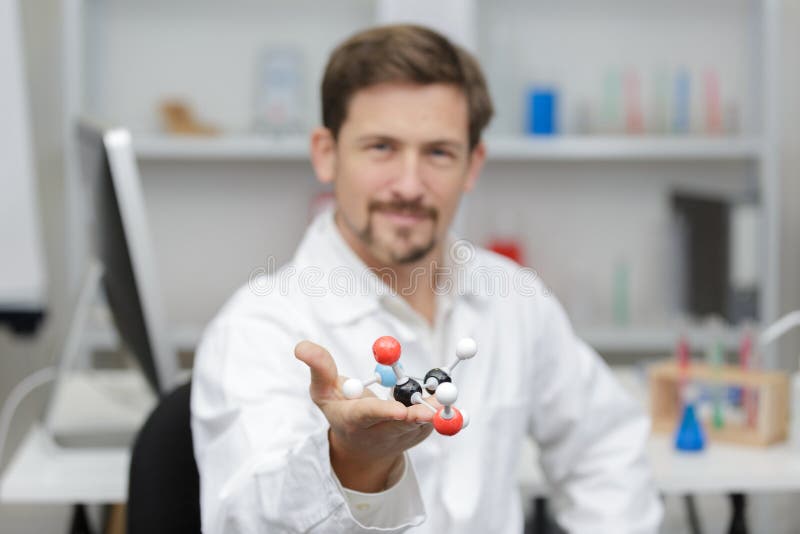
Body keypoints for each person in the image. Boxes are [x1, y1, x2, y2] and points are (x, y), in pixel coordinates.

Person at [191, 24, 662, 533]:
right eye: (381, 148)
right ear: (327, 153)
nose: (410, 186)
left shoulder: (516, 300)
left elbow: (604, 446)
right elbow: (244, 519)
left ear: (472, 164)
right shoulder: (259, 327)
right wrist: (353, 461)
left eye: (438, 152)